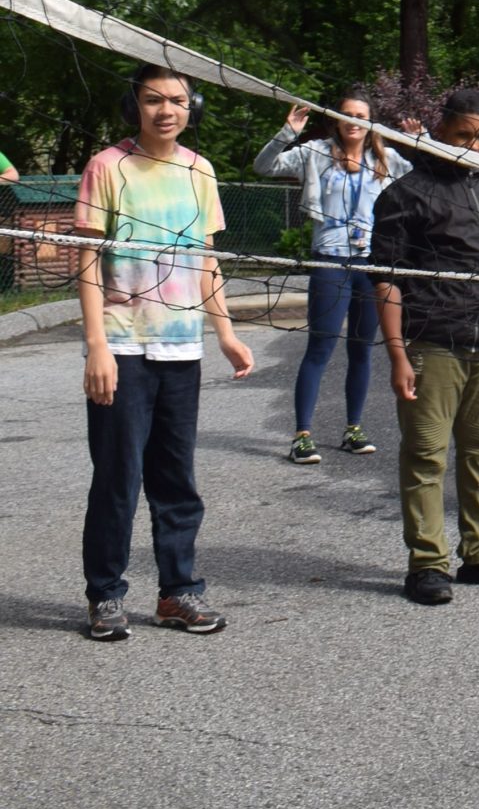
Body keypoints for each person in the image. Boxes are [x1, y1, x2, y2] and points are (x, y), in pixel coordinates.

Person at [75, 66, 254, 641]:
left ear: (190, 106)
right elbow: (85, 261)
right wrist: (96, 346)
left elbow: (206, 261)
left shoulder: (199, 170)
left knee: (176, 478)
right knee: (118, 477)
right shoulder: (107, 167)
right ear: (136, 106)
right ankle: (105, 596)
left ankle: (178, 592)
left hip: (182, 349)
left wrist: (225, 333)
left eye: (177, 100)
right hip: (123, 345)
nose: (166, 110)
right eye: (154, 100)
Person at [369, 88, 479, 604]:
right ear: (440, 130)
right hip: (432, 341)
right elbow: (387, 279)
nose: (473, 145)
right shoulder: (405, 194)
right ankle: (426, 563)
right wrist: (398, 353)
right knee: (425, 454)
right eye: (464, 135)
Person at [254, 91, 414, 463]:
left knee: (361, 350)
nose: (354, 121)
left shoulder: (386, 159)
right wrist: (286, 132)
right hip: (330, 261)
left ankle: (353, 429)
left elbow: (426, 176)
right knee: (320, 347)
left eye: (361, 115)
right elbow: (264, 166)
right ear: (336, 119)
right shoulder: (316, 152)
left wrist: (420, 143)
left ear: (371, 121)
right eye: (347, 114)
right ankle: (302, 436)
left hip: (371, 265)